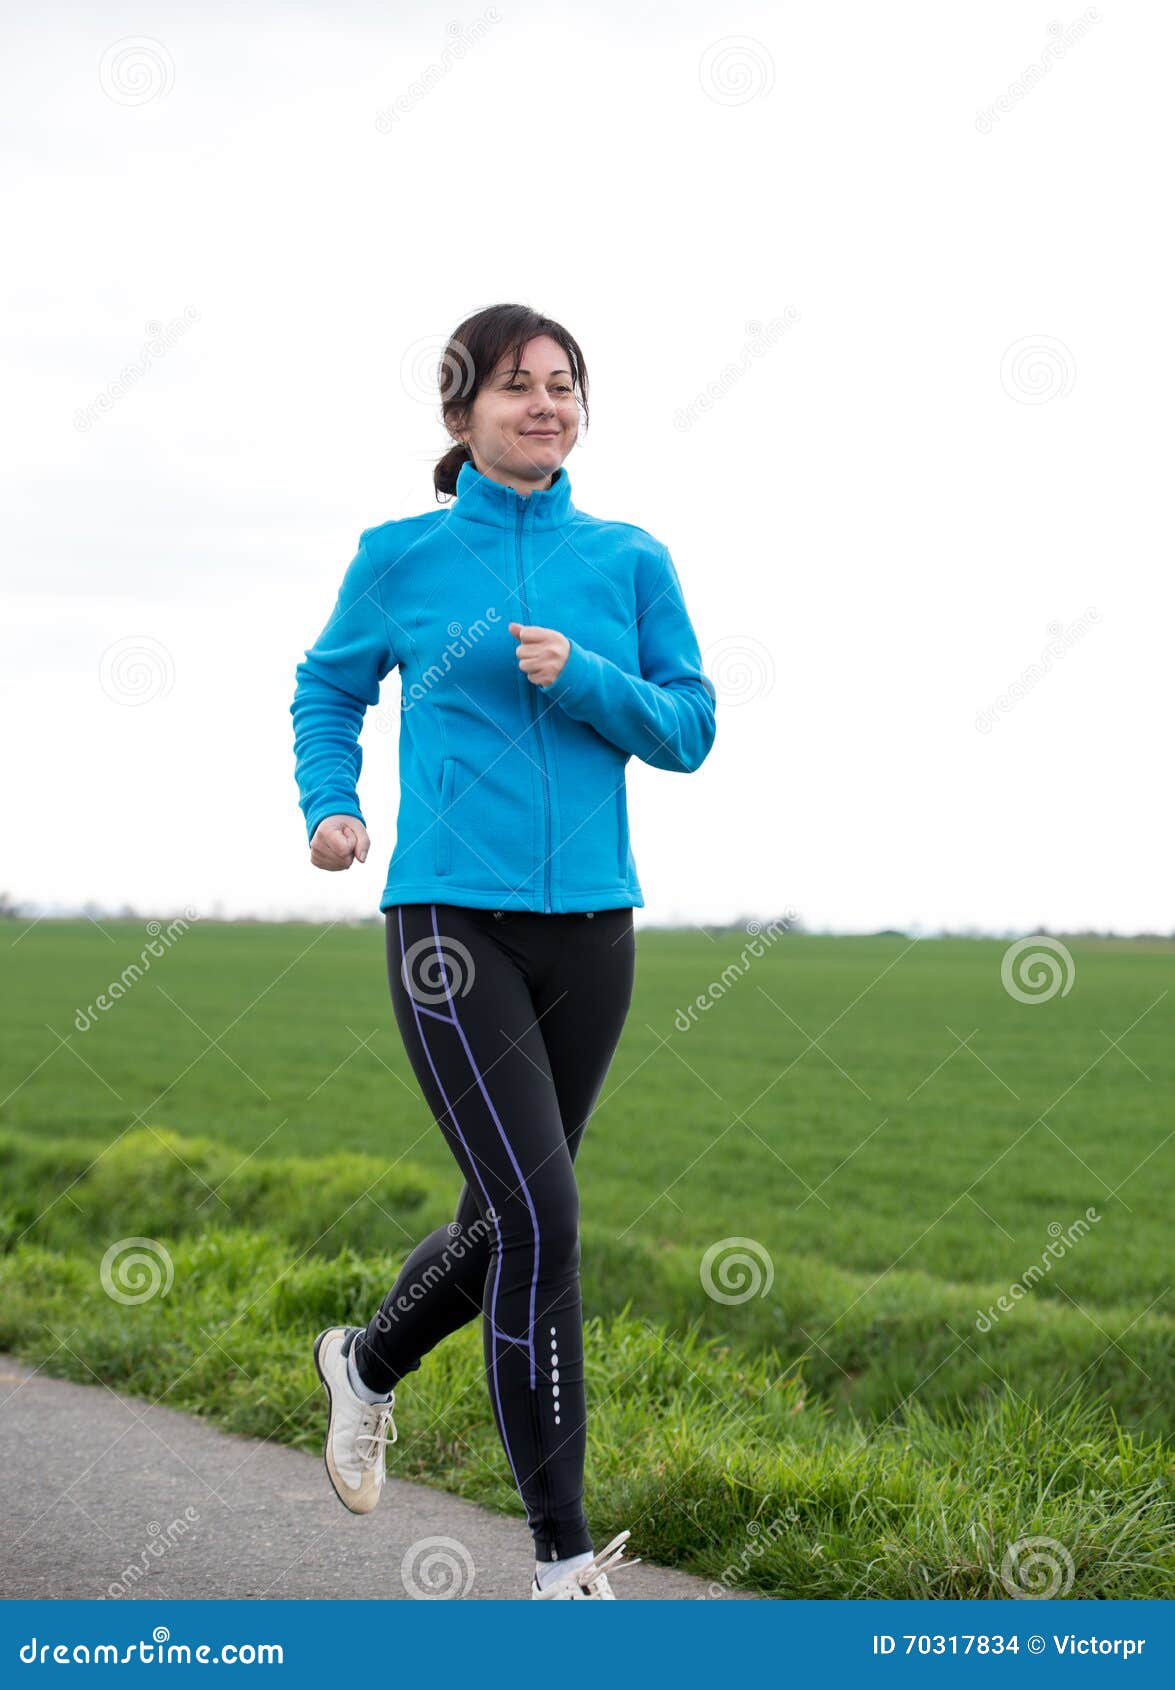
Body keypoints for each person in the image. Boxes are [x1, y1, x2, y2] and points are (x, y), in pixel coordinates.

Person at [290, 303, 717, 1600]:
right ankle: (562, 1559)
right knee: (544, 1214)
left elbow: (688, 728)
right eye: (517, 385)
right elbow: (329, 686)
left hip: (593, 925)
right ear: (460, 409)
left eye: (563, 384)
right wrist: (330, 802)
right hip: (449, 918)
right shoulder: (402, 557)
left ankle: (365, 1363)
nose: (546, 404)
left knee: (503, 1218)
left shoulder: (630, 560)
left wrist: (584, 675)